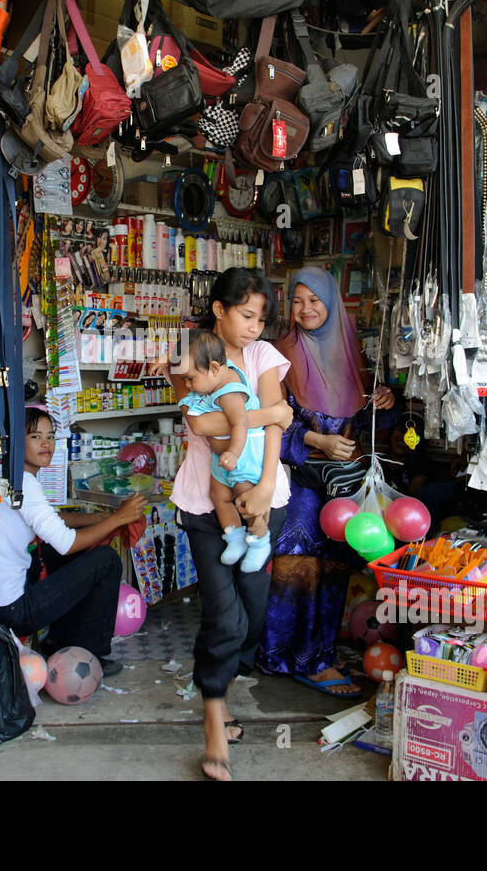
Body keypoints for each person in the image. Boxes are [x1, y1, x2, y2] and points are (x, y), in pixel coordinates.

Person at [165, 268, 294, 782]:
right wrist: (268, 414)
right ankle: (214, 726)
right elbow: (202, 423)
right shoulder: (190, 351)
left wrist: (264, 488)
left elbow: (277, 419)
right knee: (224, 616)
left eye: (261, 318)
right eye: (246, 315)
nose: (254, 327)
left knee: (252, 615)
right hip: (205, 503)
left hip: (267, 498)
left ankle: (223, 692)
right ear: (219, 309)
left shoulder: (264, 356)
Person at [260, 266, 396, 698]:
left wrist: (385, 400)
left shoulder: (350, 354)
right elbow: (267, 426)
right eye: (297, 301)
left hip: (342, 489)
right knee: (299, 570)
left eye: (314, 300)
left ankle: (321, 653)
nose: (305, 309)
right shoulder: (279, 357)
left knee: (334, 570)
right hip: (301, 485)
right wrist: (315, 438)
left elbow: (367, 422)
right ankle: (294, 659)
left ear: (332, 303)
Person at [0, 408, 145, 675]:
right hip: (12, 612)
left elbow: (49, 520)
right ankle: (90, 652)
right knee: (105, 561)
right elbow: (66, 542)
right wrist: (118, 518)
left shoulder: (3, 474)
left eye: (50, 436)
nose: (46, 444)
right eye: (36, 437)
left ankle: (59, 639)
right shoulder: (24, 483)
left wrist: (100, 518)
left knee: (52, 551)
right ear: (14, 440)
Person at [176, 330, 271, 571]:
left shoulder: (229, 391)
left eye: (190, 379)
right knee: (218, 495)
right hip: (223, 458)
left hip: (242, 455)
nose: (187, 385)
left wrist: (234, 453)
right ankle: (235, 537)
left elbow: (241, 424)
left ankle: (260, 541)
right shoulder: (210, 382)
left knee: (245, 500)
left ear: (215, 368)